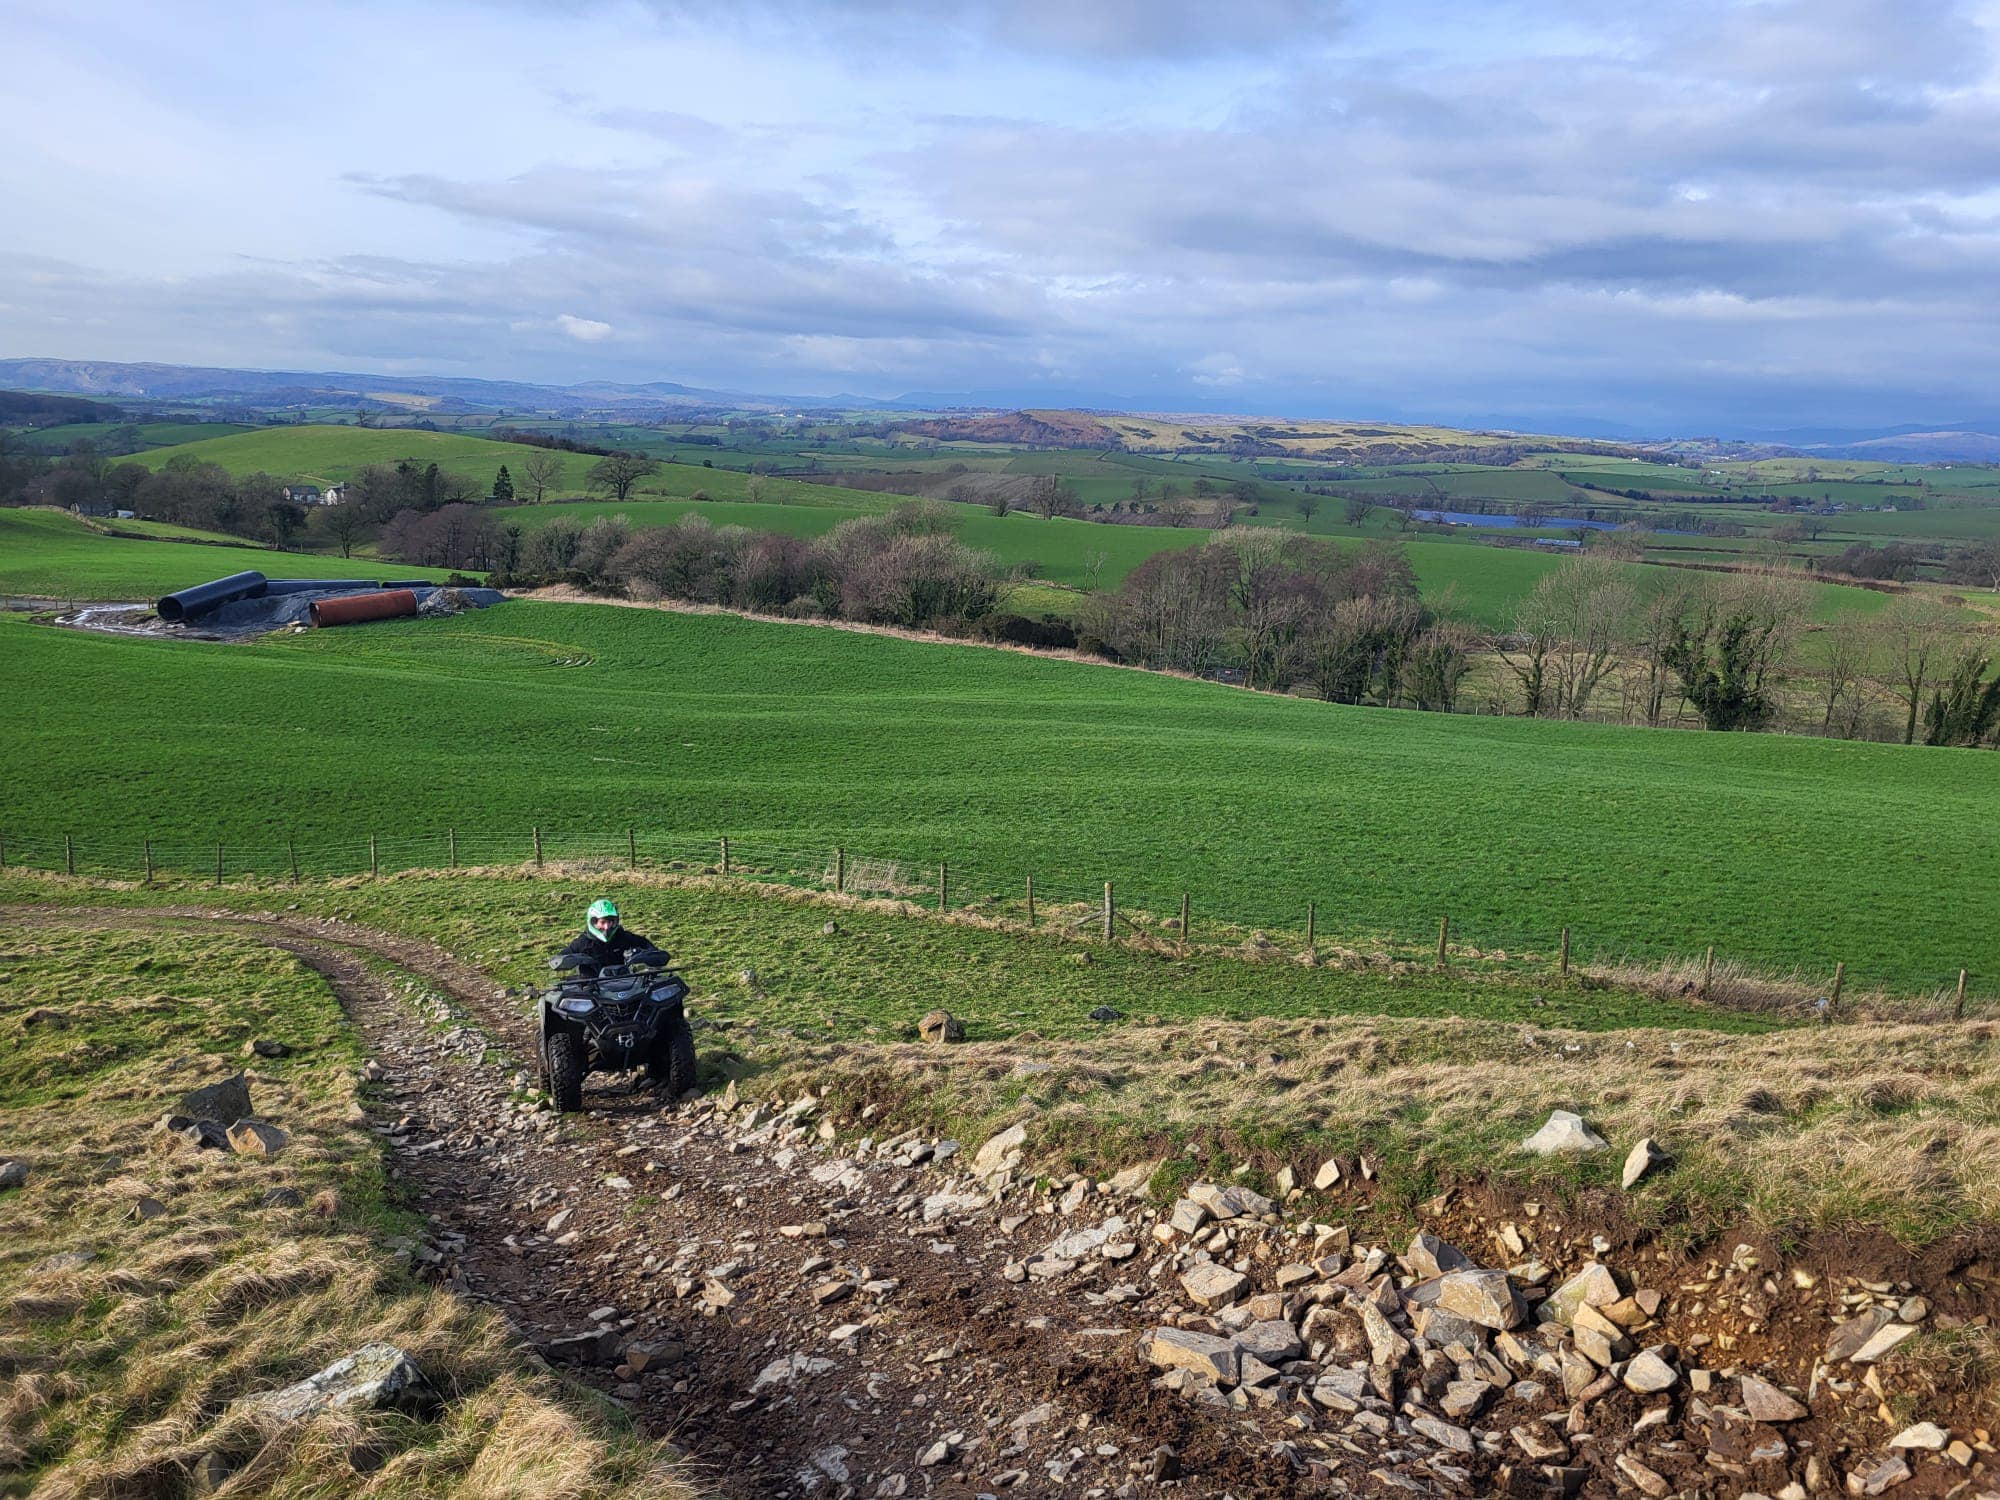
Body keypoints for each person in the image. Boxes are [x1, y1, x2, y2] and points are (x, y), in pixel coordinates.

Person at [557, 898, 658, 973]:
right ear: (593, 922)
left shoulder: (623, 937)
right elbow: (557, 959)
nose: (607, 927)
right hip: (591, 991)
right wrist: (576, 959)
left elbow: (649, 947)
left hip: (624, 985)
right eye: (603, 922)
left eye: (610, 922)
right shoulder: (582, 942)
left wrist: (641, 954)